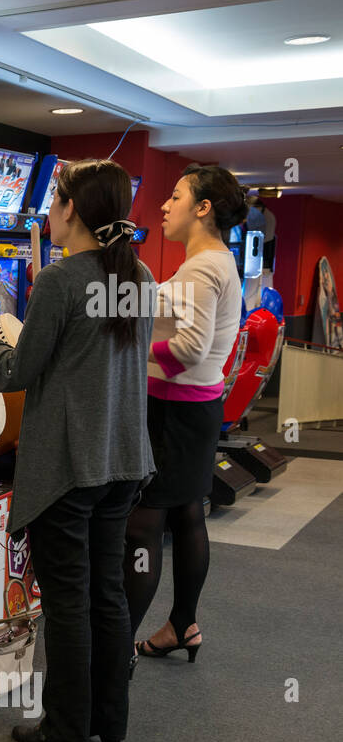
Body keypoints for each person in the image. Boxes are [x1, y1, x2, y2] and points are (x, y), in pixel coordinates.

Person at [0, 159, 155, 742]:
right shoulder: (139, 276)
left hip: (70, 465)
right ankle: (107, 723)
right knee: (106, 594)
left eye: (56, 201)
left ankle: (66, 728)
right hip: (123, 460)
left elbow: (17, 371)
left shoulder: (61, 282)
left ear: (71, 209)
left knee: (67, 599)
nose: (48, 212)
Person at [125, 164, 244, 669]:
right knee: (188, 514)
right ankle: (183, 623)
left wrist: (132, 356)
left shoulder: (201, 268)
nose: (163, 206)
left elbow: (189, 351)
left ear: (203, 209)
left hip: (175, 411)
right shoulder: (219, 261)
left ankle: (117, 644)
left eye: (175, 197)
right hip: (199, 409)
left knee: (142, 528)